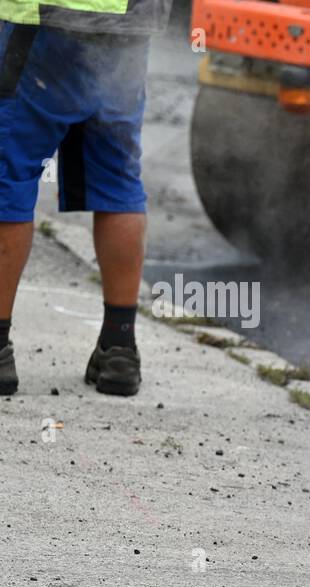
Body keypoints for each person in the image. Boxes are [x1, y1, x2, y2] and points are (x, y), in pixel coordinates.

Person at [0, 0, 172, 397]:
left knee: (10, 173)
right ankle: (119, 349)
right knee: (118, 177)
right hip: (128, 24)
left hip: (45, 18)